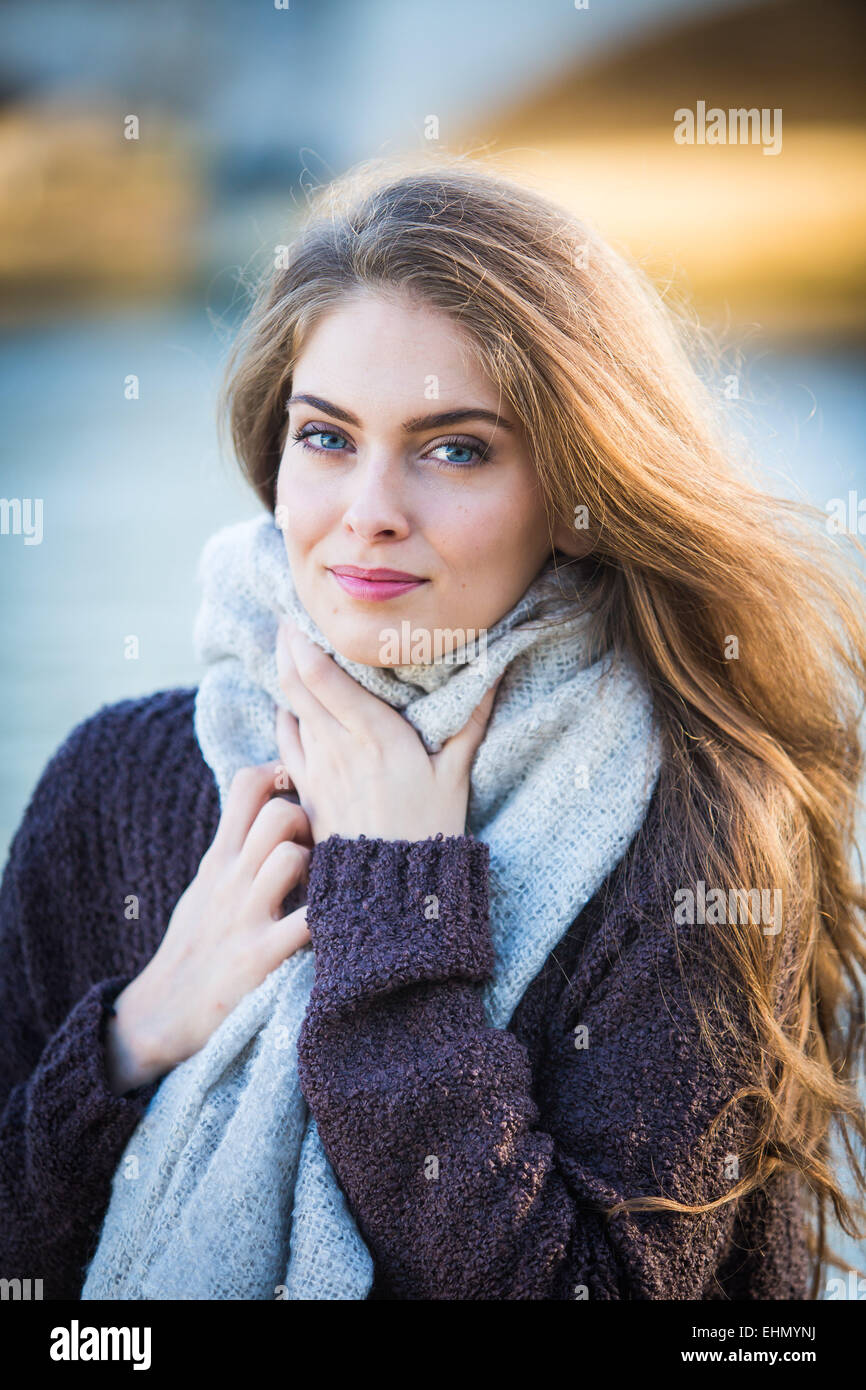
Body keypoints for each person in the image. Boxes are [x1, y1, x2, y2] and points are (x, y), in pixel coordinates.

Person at [2, 157, 865, 1300]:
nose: (368, 511)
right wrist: (136, 1033)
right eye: (326, 436)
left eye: (453, 447)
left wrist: (396, 903)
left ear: (574, 489)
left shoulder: (697, 828)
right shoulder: (115, 780)